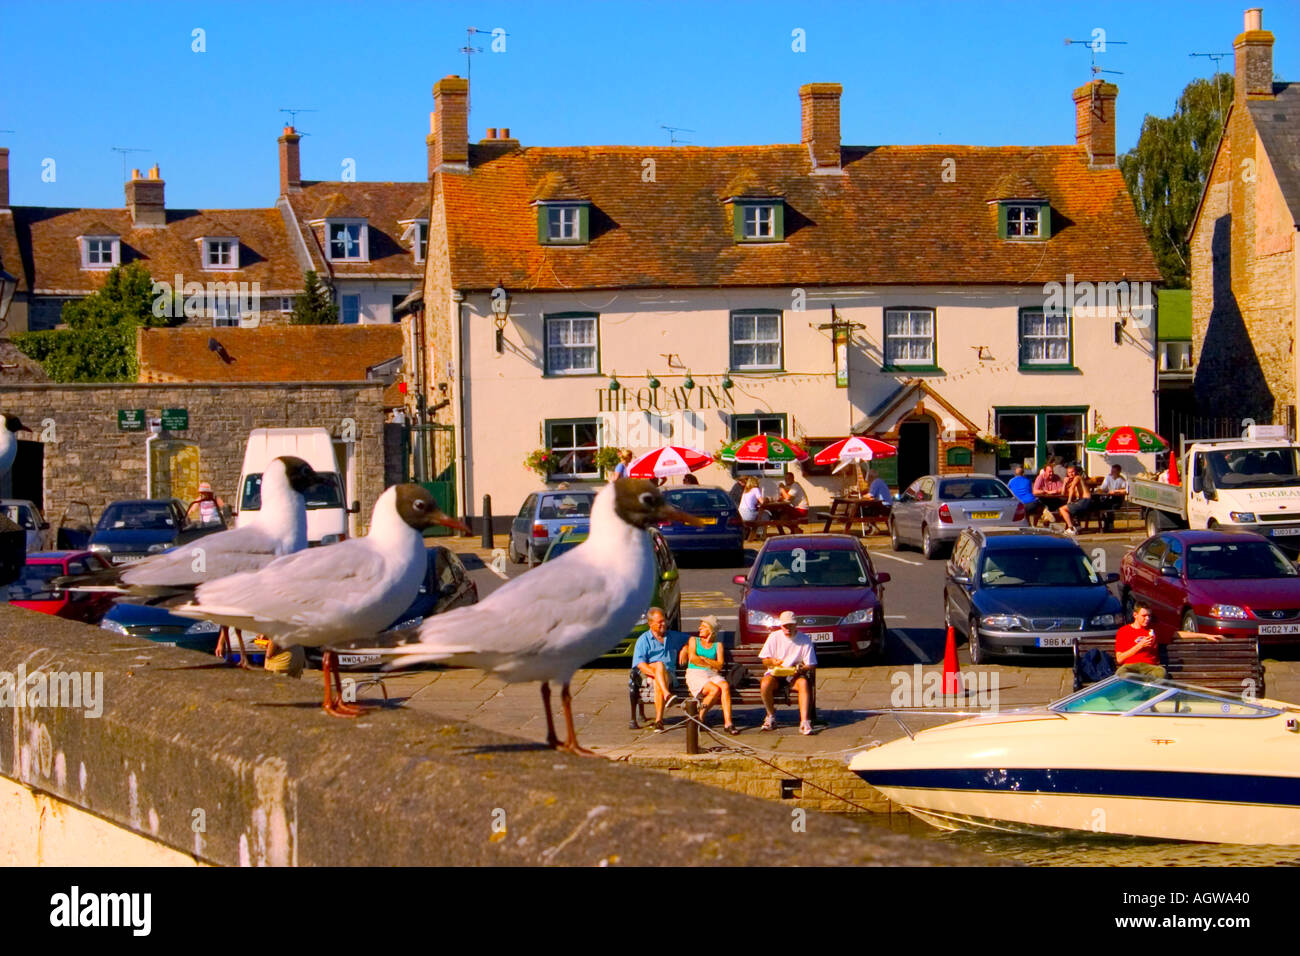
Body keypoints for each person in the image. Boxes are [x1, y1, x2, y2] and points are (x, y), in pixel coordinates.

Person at [630, 606, 690, 732]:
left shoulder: (673, 636)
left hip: (669, 676)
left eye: (664, 621)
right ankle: (659, 718)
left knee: (660, 672)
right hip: (649, 676)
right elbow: (640, 664)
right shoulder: (643, 640)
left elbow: (692, 639)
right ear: (651, 624)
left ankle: (660, 719)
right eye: (660, 622)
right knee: (659, 665)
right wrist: (657, 672)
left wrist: (685, 648)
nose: (663, 624)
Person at [758, 611, 817, 735]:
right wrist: (772, 661)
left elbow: (811, 663)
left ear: (795, 625)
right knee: (765, 684)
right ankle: (770, 716)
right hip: (776, 673)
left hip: (794, 674)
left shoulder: (804, 639)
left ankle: (805, 721)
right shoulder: (774, 637)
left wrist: (800, 669)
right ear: (781, 626)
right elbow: (764, 660)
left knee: (803, 684)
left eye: (791, 625)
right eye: (785, 626)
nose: (788, 628)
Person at [685, 616, 738, 734]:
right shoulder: (694, 640)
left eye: (703, 627)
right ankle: (700, 717)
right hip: (696, 673)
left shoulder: (717, 645)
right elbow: (693, 659)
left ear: (711, 630)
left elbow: (720, 665)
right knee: (714, 690)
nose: (700, 628)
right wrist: (710, 663)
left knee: (724, 686)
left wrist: (705, 660)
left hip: (711, 673)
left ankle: (728, 723)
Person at [1056, 464, 1093, 535]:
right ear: (1067, 474)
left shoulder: (1078, 478)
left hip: (1085, 501)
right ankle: (1076, 526)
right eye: (1069, 472)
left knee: (1062, 509)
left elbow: (1072, 488)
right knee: (1066, 509)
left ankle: (1071, 528)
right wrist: (1064, 483)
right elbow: (1063, 493)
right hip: (1082, 501)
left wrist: (1069, 501)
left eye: (1072, 472)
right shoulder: (1071, 481)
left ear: (1075, 472)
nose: (1071, 474)